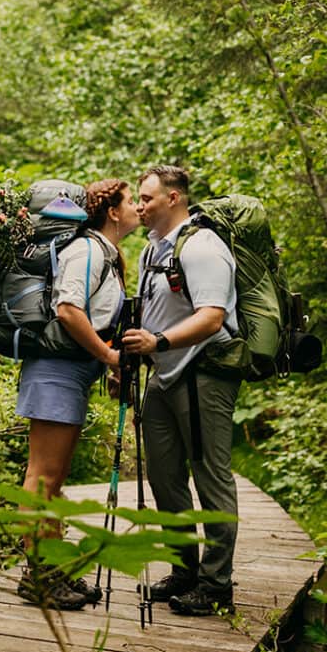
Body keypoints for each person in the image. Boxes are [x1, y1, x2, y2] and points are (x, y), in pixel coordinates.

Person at [15, 178, 141, 610]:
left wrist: (103, 359)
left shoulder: (102, 252)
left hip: (69, 372)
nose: (139, 208)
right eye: (131, 202)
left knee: (54, 479)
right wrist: (108, 355)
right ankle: (38, 577)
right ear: (112, 211)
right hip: (55, 371)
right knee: (42, 479)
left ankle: (51, 570)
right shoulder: (87, 250)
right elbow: (68, 309)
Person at [122, 164, 240, 616]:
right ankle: (184, 570)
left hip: (203, 374)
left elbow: (211, 317)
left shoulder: (204, 246)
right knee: (164, 477)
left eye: (147, 198)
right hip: (162, 374)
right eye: (137, 198)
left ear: (174, 198)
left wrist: (161, 342)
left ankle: (216, 583)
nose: (139, 206)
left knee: (211, 477)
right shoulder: (154, 251)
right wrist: (136, 358)